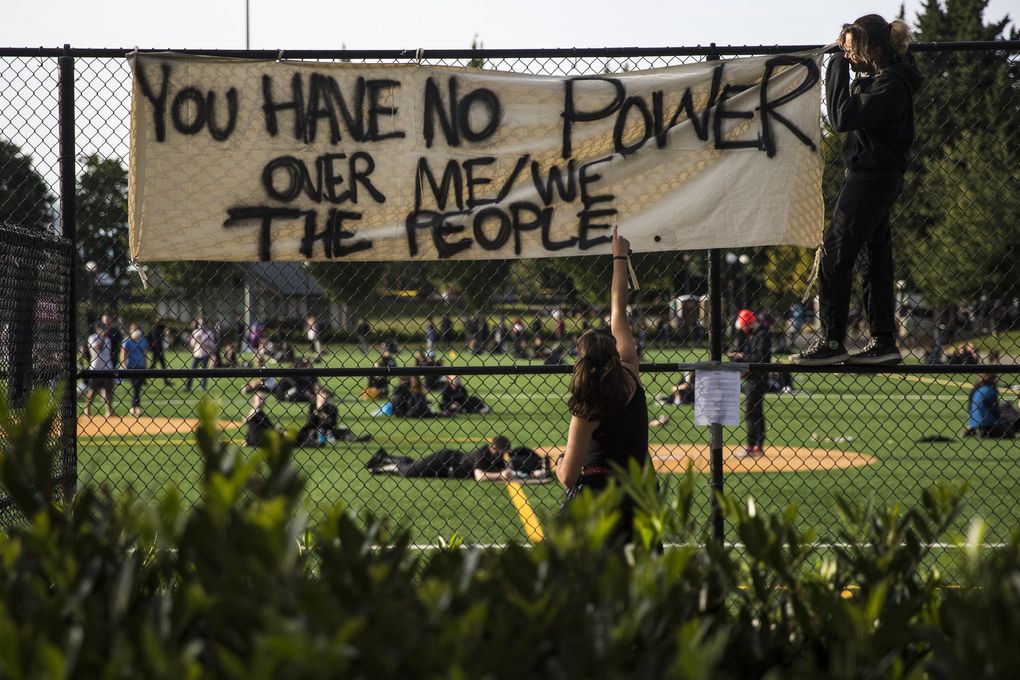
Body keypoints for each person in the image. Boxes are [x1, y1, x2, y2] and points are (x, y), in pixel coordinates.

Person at [790, 15, 922, 366]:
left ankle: (832, 340)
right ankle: (883, 341)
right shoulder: (889, 75)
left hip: (871, 178)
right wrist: (850, 50)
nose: (846, 55)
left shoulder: (890, 85)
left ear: (874, 50)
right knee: (874, 258)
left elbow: (841, 117)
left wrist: (835, 65)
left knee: (835, 253)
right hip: (873, 175)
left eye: (850, 50)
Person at [556, 225, 651, 547]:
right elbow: (618, 308)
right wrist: (619, 257)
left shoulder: (587, 405)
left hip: (599, 501)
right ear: (614, 351)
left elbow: (568, 477)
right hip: (639, 494)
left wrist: (557, 463)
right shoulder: (630, 376)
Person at [366, 436, 550, 483]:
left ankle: (386, 457)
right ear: (494, 448)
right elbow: (480, 476)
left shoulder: (496, 456)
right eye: (502, 452)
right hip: (444, 460)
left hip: (447, 468)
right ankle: (383, 467)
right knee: (408, 472)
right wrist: (501, 475)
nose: (504, 455)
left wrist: (533, 473)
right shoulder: (482, 454)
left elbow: (510, 469)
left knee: (413, 464)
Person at [727, 309, 772, 458]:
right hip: (752, 377)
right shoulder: (752, 335)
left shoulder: (762, 335)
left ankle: (752, 445)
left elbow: (760, 357)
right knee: (755, 411)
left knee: (751, 412)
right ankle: (757, 445)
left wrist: (742, 356)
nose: (744, 330)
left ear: (750, 323)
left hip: (758, 378)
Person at [965, 373, 1017, 439]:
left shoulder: (978, 390)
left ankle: (975, 430)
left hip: (974, 423)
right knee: (1009, 430)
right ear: (993, 380)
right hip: (988, 425)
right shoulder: (991, 391)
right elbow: (996, 411)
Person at [84, 322, 114, 417]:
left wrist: (104, 337)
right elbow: (98, 348)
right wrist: (102, 337)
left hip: (108, 368)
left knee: (109, 391)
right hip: (96, 368)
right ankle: (87, 409)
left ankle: (109, 411)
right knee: (93, 390)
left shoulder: (108, 339)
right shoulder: (92, 338)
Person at [120, 324, 149, 417]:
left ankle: (135, 407)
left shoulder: (143, 340)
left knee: (138, 387)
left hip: (141, 366)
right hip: (131, 367)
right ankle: (135, 407)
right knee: (136, 387)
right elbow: (123, 354)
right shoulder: (127, 341)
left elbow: (144, 354)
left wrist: (146, 365)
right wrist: (124, 365)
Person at [185, 318, 216, 392]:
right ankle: (188, 386)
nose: (201, 325)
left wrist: (203, 342)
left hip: (205, 354)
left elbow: (212, 345)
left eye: (203, 324)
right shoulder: (195, 332)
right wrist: (196, 339)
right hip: (197, 354)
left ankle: (203, 387)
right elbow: (191, 344)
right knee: (192, 371)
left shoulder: (209, 333)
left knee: (204, 372)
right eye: (200, 323)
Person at [148, 316, 171, 384]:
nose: (160, 322)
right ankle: (142, 378)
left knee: (162, 366)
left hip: (159, 349)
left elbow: (166, 332)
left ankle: (166, 381)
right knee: (153, 366)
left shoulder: (161, 328)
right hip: (156, 350)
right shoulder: (154, 329)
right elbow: (152, 339)